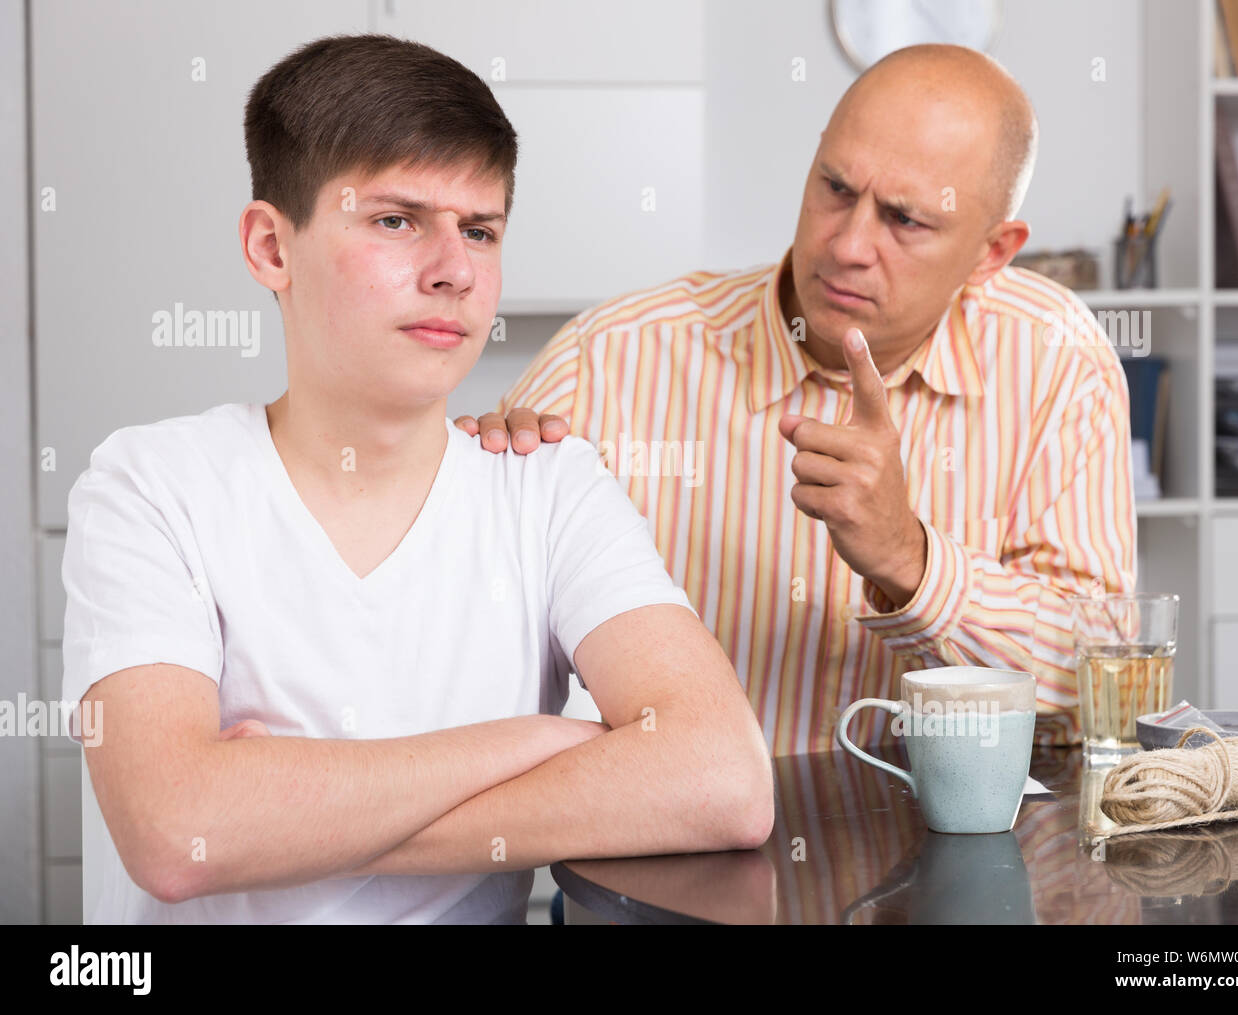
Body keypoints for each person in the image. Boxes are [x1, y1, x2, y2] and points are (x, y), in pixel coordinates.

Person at [61, 33, 772, 924]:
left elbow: (723, 778)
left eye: (480, 230)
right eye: (396, 220)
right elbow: (176, 831)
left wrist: (284, 815)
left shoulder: (550, 485)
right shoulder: (149, 487)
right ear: (271, 249)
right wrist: (541, 742)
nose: (455, 271)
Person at [458, 44, 1137, 754]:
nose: (848, 245)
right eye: (837, 189)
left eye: (905, 219)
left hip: (962, 847)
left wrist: (912, 561)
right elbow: (466, 632)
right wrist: (467, 494)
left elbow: (1108, 675)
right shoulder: (611, 357)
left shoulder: (1059, 360)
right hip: (683, 844)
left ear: (992, 253)